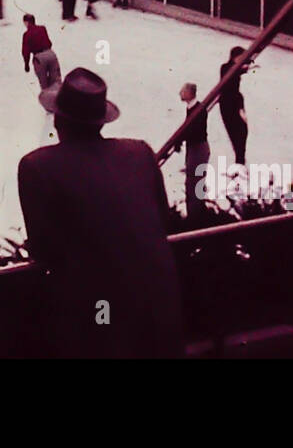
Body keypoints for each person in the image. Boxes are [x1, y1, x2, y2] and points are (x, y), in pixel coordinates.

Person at [18, 68, 183, 357]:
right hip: (160, 308)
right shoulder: (139, 153)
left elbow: (45, 250)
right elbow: (163, 221)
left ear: (57, 119)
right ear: (101, 121)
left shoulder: (37, 166)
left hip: (98, 318)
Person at [173, 82, 211, 221]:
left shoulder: (198, 110)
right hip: (195, 148)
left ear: (189, 93)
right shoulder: (192, 108)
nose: (180, 93)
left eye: (182, 91)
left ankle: (195, 217)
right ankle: (196, 215)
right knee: (193, 183)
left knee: (194, 183)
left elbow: (193, 131)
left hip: (198, 149)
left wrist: (179, 140)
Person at [219, 46, 251, 163]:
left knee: (243, 131)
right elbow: (232, 72)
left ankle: (240, 160)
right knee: (235, 133)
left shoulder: (236, 67)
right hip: (228, 104)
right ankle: (240, 160)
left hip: (236, 103)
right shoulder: (226, 67)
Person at [21, 14, 61, 91]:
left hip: (39, 58)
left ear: (26, 22)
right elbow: (49, 43)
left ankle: (49, 101)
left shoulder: (26, 35)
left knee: (44, 85)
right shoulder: (42, 28)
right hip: (51, 54)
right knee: (56, 82)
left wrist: (26, 64)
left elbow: (25, 51)